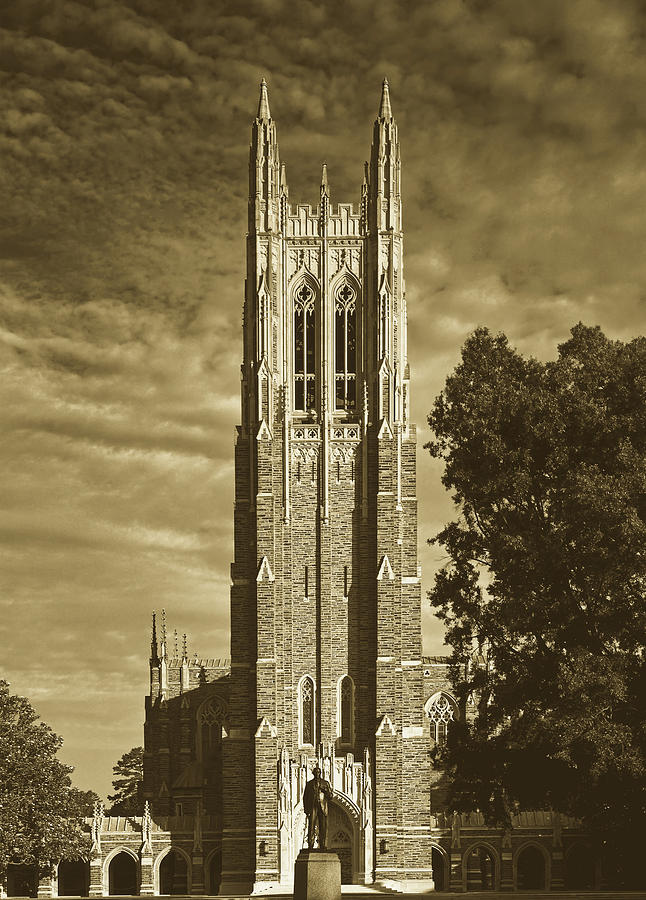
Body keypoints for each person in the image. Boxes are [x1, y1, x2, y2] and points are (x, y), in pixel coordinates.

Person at [302, 764, 333, 849]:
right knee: (311, 825)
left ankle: (323, 844)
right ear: (313, 773)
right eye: (316, 772)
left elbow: (330, 796)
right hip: (312, 807)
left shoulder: (325, 783)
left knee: (323, 826)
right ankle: (310, 845)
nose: (317, 774)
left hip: (322, 807)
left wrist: (325, 790)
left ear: (321, 773)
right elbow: (305, 797)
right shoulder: (309, 784)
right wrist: (306, 809)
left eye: (319, 772)